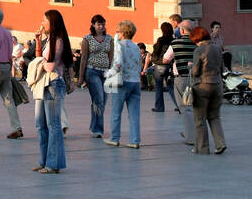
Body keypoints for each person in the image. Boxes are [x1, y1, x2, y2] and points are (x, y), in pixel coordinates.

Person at [29, 9, 73, 172]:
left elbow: (50, 66)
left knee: (53, 125)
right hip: (43, 84)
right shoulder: (49, 40)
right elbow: (41, 57)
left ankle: (53, 164)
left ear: (52, 23)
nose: (42, 23)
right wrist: (38, 42)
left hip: (53, 84)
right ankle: (44, 160)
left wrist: (38, 63)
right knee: (40, 124)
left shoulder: (59, 41)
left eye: (44, 20)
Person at [0, 6, 24, 140]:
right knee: (9, 100)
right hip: (6, 67)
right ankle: (16, 127)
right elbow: (9, 53)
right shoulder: (7, 33)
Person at [186, 26, 226, 154]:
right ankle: (220, 144)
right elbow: (222, 67)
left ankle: (202, 148)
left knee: (200, 119)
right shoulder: (217, 48)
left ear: (198, 38)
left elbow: (196, 71)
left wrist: (191, 67)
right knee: (214, 117)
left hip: (202, 87)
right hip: (217, 86)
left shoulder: (199, 50)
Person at [104, 20, 142, 148]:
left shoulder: (119, 46)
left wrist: (109, 74)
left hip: (122, 82)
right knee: (134, 114)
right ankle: (134, 140)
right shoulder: (136, 46)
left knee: (116, 111)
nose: (116, 33)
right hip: (135, 81)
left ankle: (114, 138)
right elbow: (139, 64)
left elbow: (118, 64)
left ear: (122, 33)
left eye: (117, 31)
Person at [77, 14, 113, 137]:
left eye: (103, 24)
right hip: (92, 71)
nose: (101, 27)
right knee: (98, 99)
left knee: (101, 101)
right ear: (93, 25)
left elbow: (111, 57)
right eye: (99, 24)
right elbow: (84, 58)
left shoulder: (109, 39)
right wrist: (80, 77)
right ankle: (97, 129)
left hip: (105, 72)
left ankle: (94, 125)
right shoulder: (87, 39)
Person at [162, 19, 196, 144]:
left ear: (181, 30)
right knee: (194, 107)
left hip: (181, 78)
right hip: (196, 78)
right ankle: (190, 132)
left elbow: (165, 59)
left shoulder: (175, 43)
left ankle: (191, 137)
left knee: (185, 107)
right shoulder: (197, 43)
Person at [149, 22, 180, 113]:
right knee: (171, 87)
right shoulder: (174, 40)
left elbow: (156, 53)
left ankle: (159, 107)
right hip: (169, 66)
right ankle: (179, 106)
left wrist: (153, 59)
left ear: (162, 30)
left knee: (159, 87)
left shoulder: (161, 40)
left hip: (159, 67)